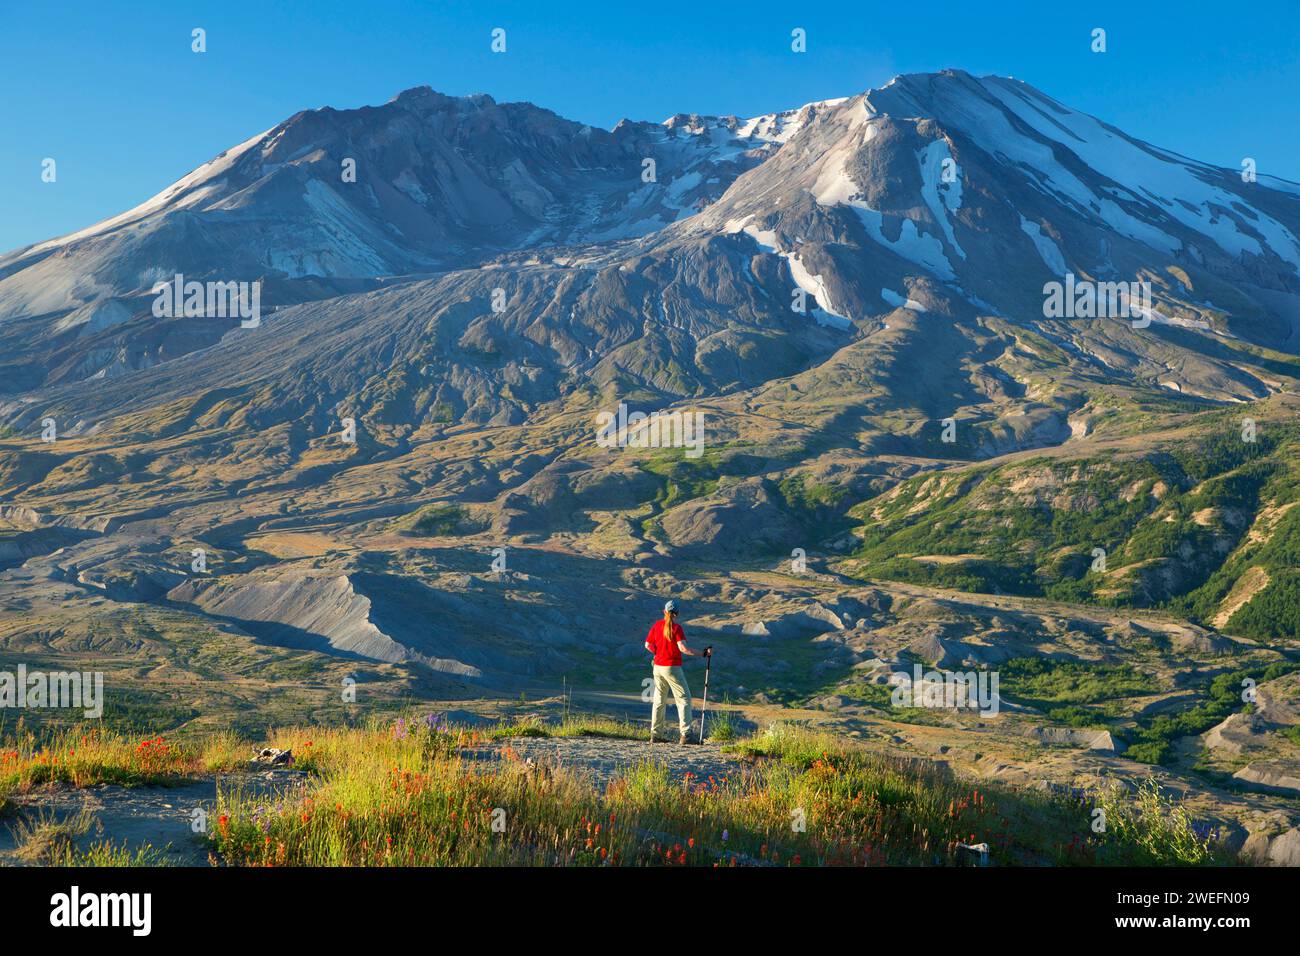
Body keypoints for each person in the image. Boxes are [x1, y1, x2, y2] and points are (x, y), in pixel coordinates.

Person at [644, 599, 705, 745]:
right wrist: (702, 653)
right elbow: (683, 649)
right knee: (684, 699)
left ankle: (655, 734)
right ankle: (686, 734)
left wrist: (657, 653)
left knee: (659, 700)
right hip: (672, 667)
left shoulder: (657, 625)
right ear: (676, 614)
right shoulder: (676, 628)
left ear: (664, 612)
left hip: (657, 667)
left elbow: (647, 645)